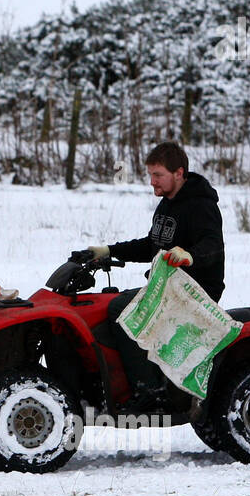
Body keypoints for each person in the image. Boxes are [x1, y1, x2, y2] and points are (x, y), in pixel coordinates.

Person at [86, 141, 225, 410]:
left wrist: (189, 255)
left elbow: (213, 246)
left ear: (179, 173)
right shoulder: (167, 204)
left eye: (158, 175)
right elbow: (152, 245)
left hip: (195, 290)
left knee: (120, 309)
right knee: (104, 305)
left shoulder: (200, 206)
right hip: (168, 286)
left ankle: (149, 393)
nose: (152, 182)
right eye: (150, 175)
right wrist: (108, 250)